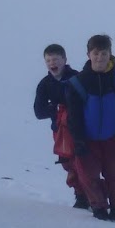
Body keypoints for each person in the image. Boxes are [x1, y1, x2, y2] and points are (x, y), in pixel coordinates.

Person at [65, 34, 115, 223]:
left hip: (112, 137)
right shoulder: (78, 83)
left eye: (104, 53)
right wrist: (78, 140)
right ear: (88, 54)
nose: (100, 58)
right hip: (87, 139)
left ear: (110, 54)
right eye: (96, 53)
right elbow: (74, 116)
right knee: (89, 177)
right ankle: (99, 207)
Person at [33, 44, 89, 210]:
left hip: (81, 128)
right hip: (60, 131)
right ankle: (80, 196)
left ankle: (94, 196)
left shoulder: (78, 78)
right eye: (48, 60)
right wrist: (56, 109)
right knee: (68, 164)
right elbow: (38, 111)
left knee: (84, 162)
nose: (52, 63)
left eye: (56, 59)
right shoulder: (44, 84)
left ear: (65, 60)